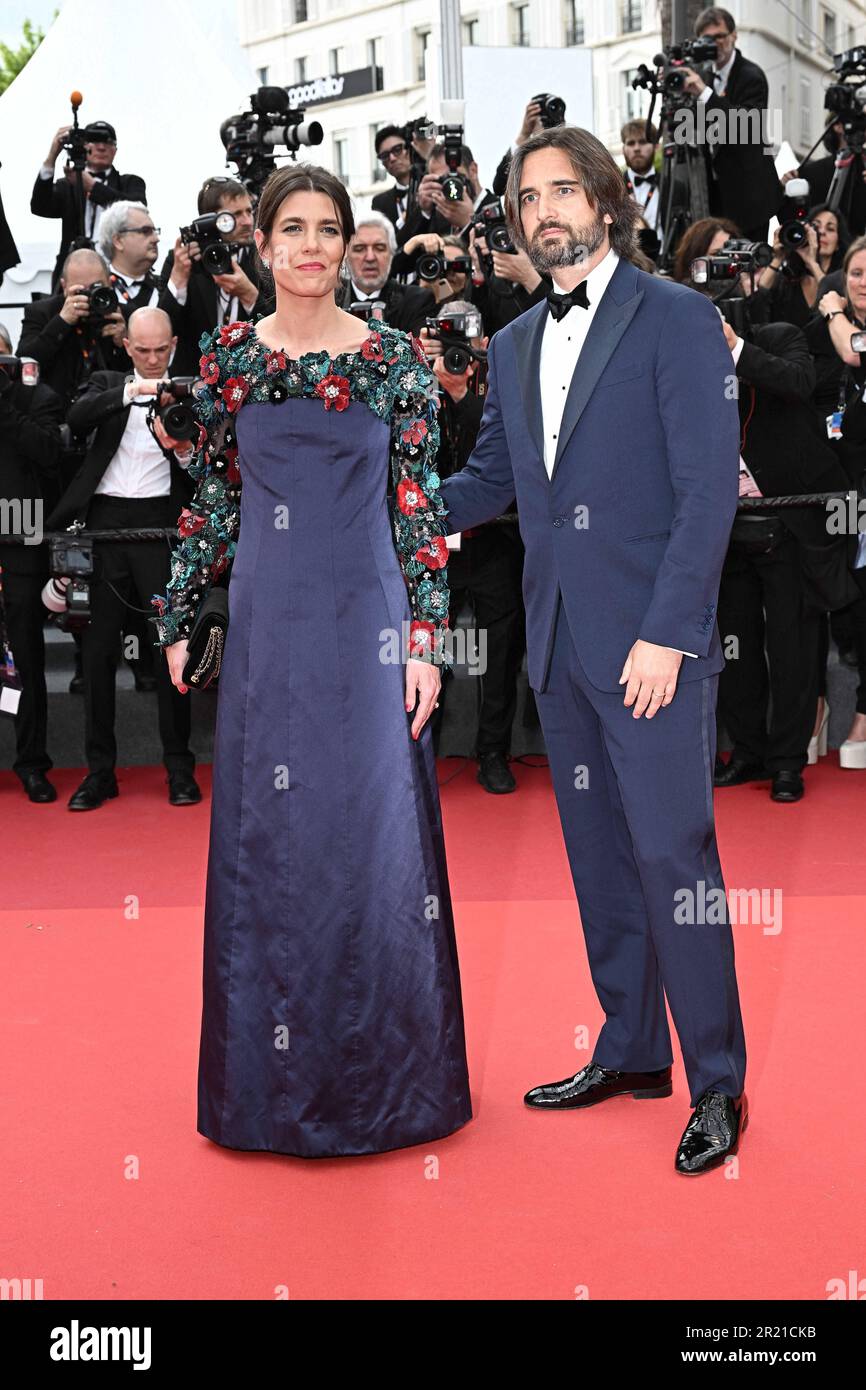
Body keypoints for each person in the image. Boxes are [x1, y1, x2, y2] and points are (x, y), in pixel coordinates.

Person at [438, 124, 748, 1176]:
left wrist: (667, 632)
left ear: (607, 202)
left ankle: (716, 1081)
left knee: (673, 859)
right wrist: (377, 505)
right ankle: (630, 1049)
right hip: (560, 641)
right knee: (600, 861)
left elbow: (706, 494)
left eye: (562, 191)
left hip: (652, 646)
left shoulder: (678, 318)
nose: (544, 212)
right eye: (527, 199)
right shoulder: (513, 342)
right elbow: (488, 483)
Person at [152, 163, 472, 1159]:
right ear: (260, 243)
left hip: (368, 618)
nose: (311, 246)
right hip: (267, 624)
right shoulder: (226, 360)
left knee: (371, 843)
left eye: (327, 228)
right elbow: (214, 498)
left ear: (346, 244)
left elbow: (419, 512)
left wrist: (424, 642)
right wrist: (177, 612)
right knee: (272, 845)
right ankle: (267, 1091)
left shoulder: (393, 360)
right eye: (291, 228)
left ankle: (385, 1090)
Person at [45, 308, 200, 809]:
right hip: (104, 525)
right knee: (97, 655)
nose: (153, 359)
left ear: (173, 346)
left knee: (171, 649)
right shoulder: (108, 383)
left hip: (161, 528)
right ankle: (99, 772)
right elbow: (76, 417)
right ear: (128, 347)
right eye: (143, 350)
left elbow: (205, 467)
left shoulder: (189, 392)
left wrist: (181, 445)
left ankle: (179, 768)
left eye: (161, 350)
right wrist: (133, 391)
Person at [0, 329, 64, 801]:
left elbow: (48, 453)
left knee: (26, 658)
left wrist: (4, 402)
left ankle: (32, 763)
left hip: (19, 538)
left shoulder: (36, 397)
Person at [680, 7, 781, 242]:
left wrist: (704, 94)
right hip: (716, 197)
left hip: (750, 197)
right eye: (707, 39)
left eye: (720, 36)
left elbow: (744, 125)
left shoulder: (751, 76)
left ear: (734, 36)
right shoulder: (703, 77)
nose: (715, 44)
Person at [32, 120, 147, 291]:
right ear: (83, 147)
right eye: (94, 141)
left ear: (115, 150)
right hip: (75, 268)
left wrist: (93, 187)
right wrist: (52, 157)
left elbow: (136, 209)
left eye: (108, 142)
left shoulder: (129, 183)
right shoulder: (68, 185)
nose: (101, 147)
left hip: (117, 268)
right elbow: (39, 206)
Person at [336, 210, 436, 332]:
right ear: (345, 255)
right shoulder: (328, 302)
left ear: (392, 254)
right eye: (359, 248)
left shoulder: (417, 301)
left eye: (379, 248)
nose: (370, 257)